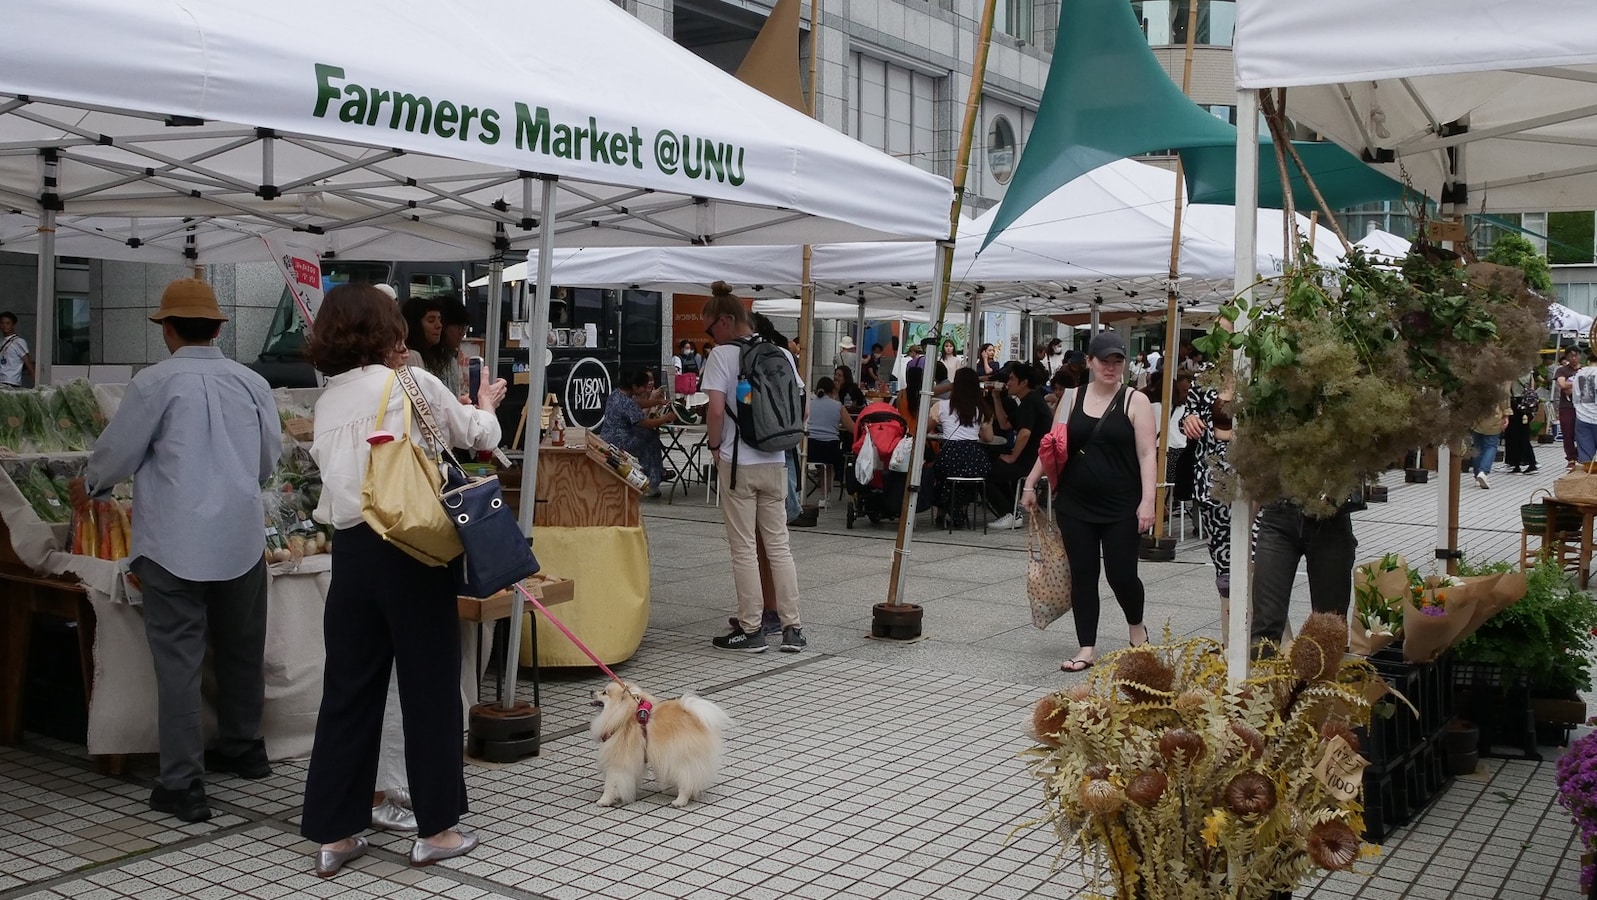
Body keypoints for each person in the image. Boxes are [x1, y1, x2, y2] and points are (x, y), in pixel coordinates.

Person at [299, 283, 505, 876]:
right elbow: (477, 437)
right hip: (414, 549)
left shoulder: (327, 403)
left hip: (352, 554)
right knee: (430, 689)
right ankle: (437, 830)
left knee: (348, 692)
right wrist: (487, 403)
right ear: (390, 330)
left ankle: (336, 835)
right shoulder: (410, 383)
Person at [78, 279, 282, 823]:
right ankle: (245, 749)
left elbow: (117, 454)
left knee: (179, 663)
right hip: (240, 539)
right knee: (242, 649)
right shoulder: (253, 382)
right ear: (219, 327)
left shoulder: (154, 382)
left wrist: (91, 483)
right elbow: (268, 461)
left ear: (167, 329)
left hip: (171, 542)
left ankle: (183, 784)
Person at [1023, 332, 1155, 672]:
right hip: (1075, 501)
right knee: (1084, 574)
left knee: (1121, 574)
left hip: (1122, 503)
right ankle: (1086, 647)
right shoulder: (1070, 398)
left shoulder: (1135, 400)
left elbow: (1147, 455)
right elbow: (1052, 444)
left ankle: (1137, 632)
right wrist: (1030, 481)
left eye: (1117, 361)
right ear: (1091, 362)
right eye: (1103, 361)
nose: (1110, 367)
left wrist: (1148, 502)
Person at [702, 281, 806, 653]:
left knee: (744, 548)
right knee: (779, 546)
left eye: (710, 328)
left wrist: (715, 447)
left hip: (738, 462)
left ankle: (751, 629)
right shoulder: (779, 351)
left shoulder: (721, 357)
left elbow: (715, 410)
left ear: (726, 321)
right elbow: (801, 407)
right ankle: (792, 627)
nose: (710, 337)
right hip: (777, 460)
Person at [928, 368, 994, 529]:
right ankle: (961, 511)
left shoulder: (941, 406)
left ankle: (941, 513)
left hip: (950, 453)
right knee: (969, 480)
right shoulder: (981, 409)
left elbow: (926, 428)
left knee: (945, 477)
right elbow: (989, 438)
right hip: (974, 455)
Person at [987, 362, 1049, 530]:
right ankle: (1012, 512)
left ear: (1024, 382)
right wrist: (996, 398)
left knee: (987, 474)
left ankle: (1010, 513)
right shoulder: (1029, 401)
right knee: (995, 467)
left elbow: (1024, 433)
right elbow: (1005, 424)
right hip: (1034, 459)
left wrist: (1013, 456)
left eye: (1012, 379)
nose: (1008, 383)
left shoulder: (1030, 402)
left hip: (1032, 461)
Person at [599, 369, 678, 497]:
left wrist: (658, 402)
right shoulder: (628, 403)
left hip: (607, 436)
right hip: (620, 441)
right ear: (634, 386)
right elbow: (645, 422)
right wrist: (666, 418)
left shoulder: (616, 394)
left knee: (647, 436)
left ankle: (654, 473)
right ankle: (652, 480)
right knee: (651, 439)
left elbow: (638, 404)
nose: (645, 390)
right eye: (643, 387)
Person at [805, 377, 854, 507]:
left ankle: (803, 494)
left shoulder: (808, 404)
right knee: (830, 465)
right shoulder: (838, 406)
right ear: (832, 390)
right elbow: (852, 428)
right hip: (830, 446)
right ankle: (824, 496)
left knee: (815, 462)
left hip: (810, 446)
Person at [1469, 384, 1512, 489]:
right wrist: (1506, 414)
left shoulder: (1475, 377)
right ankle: (1483, 471)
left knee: (1477, 446)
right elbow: (1504, 398)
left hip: (1477, 417)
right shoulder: (1499, 380)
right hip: (1494, 417)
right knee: (1491, 446)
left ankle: (1477, 476)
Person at [1505, 374, 1540, 475]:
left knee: (1513, 435)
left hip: (1515, 404)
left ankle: (1516, 464)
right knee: (1524, 434)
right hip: (1527, 405)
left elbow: (1507, 391)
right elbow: (1532, 389)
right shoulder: (1529, 373)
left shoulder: (1512, 373)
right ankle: (1530, 462)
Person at [1556, 348, 1581, 469]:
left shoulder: (1584, 370)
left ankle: (1583, 456)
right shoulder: (1562, 370)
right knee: (1567, 432)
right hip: (1567, 406)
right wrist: (1579, 382)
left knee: (1583, 433)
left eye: (1576, 356)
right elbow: (1562, 385)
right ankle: (1571, 458)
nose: (1573, 358)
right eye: (1571, 356)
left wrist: (1570, 384)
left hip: (1583, 406)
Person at [0, 311, 36, 387]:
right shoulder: (2, 341)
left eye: (7, 323)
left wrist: (36, 383)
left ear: (13, 324)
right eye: (2, 323)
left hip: (11, 381)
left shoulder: (19, 341)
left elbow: (27, 362)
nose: (4, 326)